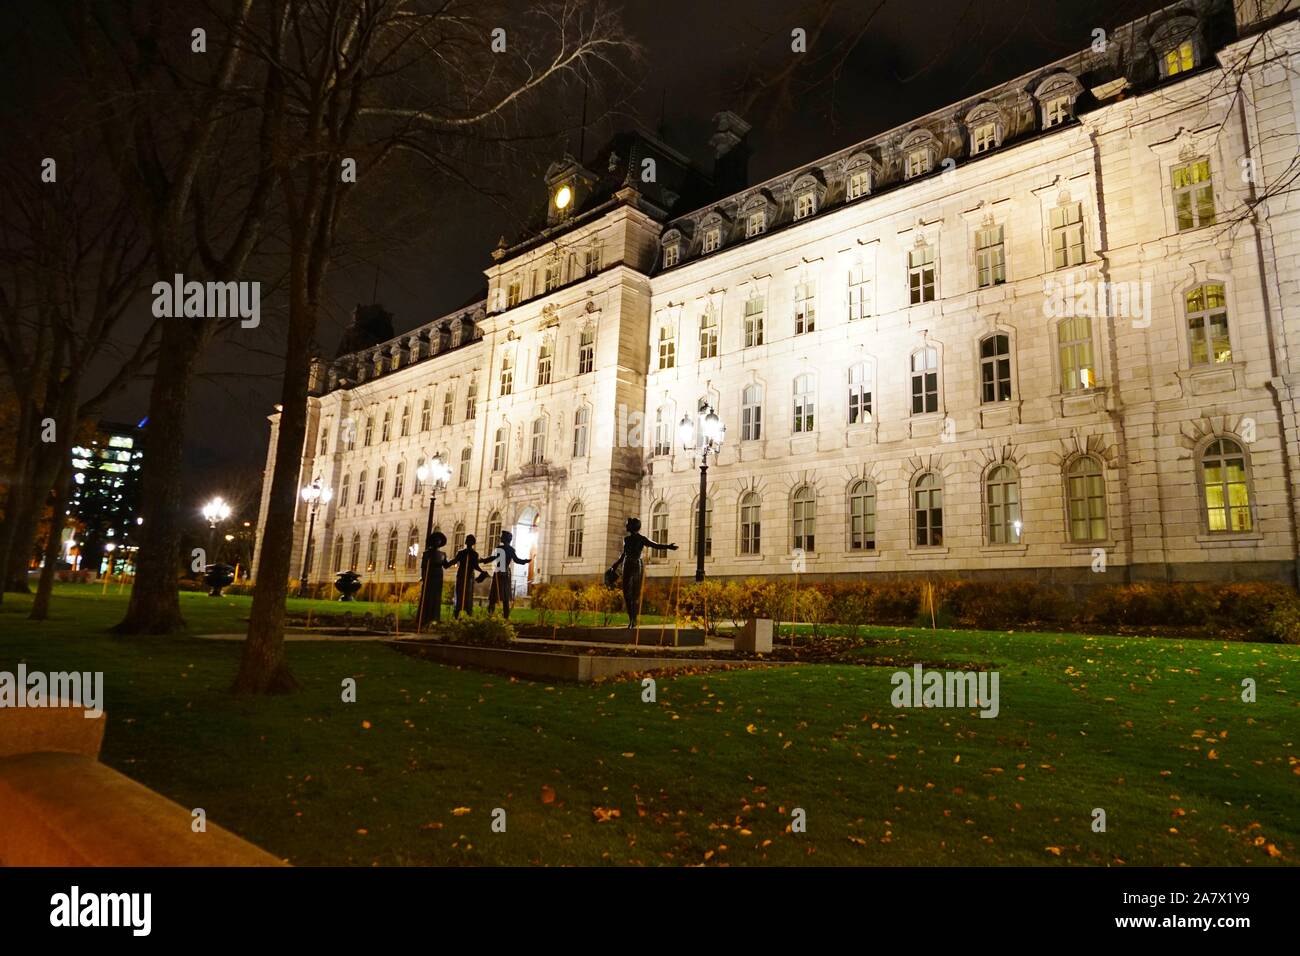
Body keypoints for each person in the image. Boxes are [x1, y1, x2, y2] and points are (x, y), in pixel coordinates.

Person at [607, 517, 676, 629]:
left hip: (636, 566)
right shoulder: (627, 539)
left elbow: (655, 545)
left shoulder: (641, 539)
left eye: (627, 524)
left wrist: (668, 547)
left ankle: (634, 620)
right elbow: (624, 554)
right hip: (626, 565)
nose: (626, 525)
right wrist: (615, 564)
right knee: (626, 593)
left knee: (635, 594)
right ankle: (631, 619)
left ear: (633, 526)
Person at [486, 530, 531, 619]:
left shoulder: (501, 549)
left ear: (506, 539)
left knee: (495, 597)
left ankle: (492, 616)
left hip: (500, 574)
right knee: (502, 597)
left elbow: (492, 558)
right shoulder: (508, 549)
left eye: (502, 536)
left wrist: (483, 560)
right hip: (504, 574)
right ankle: (502, 617)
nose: (500, 537)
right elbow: (517, 560)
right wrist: (525, 561)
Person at [446, 534, 488, 618]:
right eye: (468, 540)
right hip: (461, 575)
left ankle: (468, 611)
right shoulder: (461, 553)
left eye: (471, 540)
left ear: (473, 543)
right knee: (459, 593)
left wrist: (482, 571)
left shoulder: (474, 554)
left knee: (468, 594)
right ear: (466, 542)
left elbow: (475, 565)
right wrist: (446, 564)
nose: (469, 542)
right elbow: (455, 560)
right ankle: (457, 611)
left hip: (469, 577)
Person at [417, 530, 449, 630]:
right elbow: (424, 567)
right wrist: (423, 577)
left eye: (439, 540)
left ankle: (435, 618)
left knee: (436, 598)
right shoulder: (427, 553)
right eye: (435, 540)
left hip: (438, 577)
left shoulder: (443, 554)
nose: (437, 542)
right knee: (427, 597)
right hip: (429, 577)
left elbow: (446, 565)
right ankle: (424, 619)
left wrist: (457, 560)